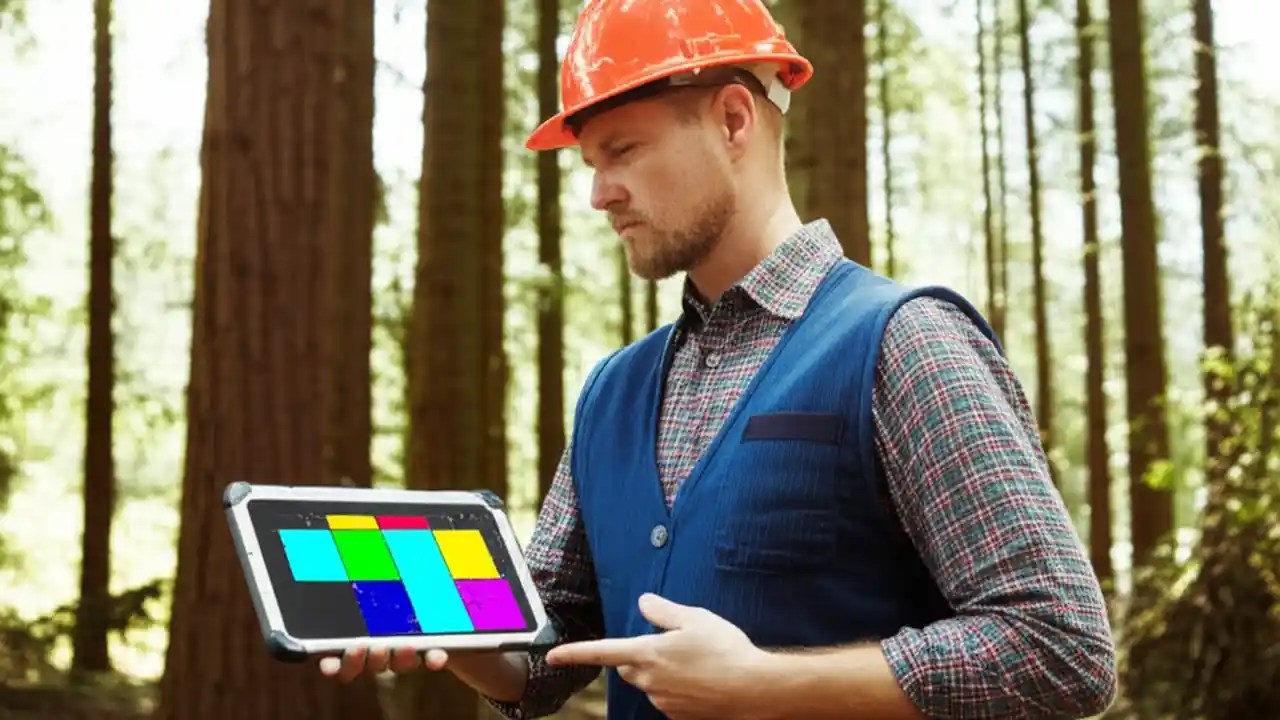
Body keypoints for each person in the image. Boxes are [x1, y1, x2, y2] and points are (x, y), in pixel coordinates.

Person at [321, 0, 1118, 718]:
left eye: (623, 150)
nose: (599, 193)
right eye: (591, 163)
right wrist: (452, 637)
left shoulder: (905, 342)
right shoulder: (613, 391)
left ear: (735, 119)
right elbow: (543, 649)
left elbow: (1060, 644)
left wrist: (764, 684)